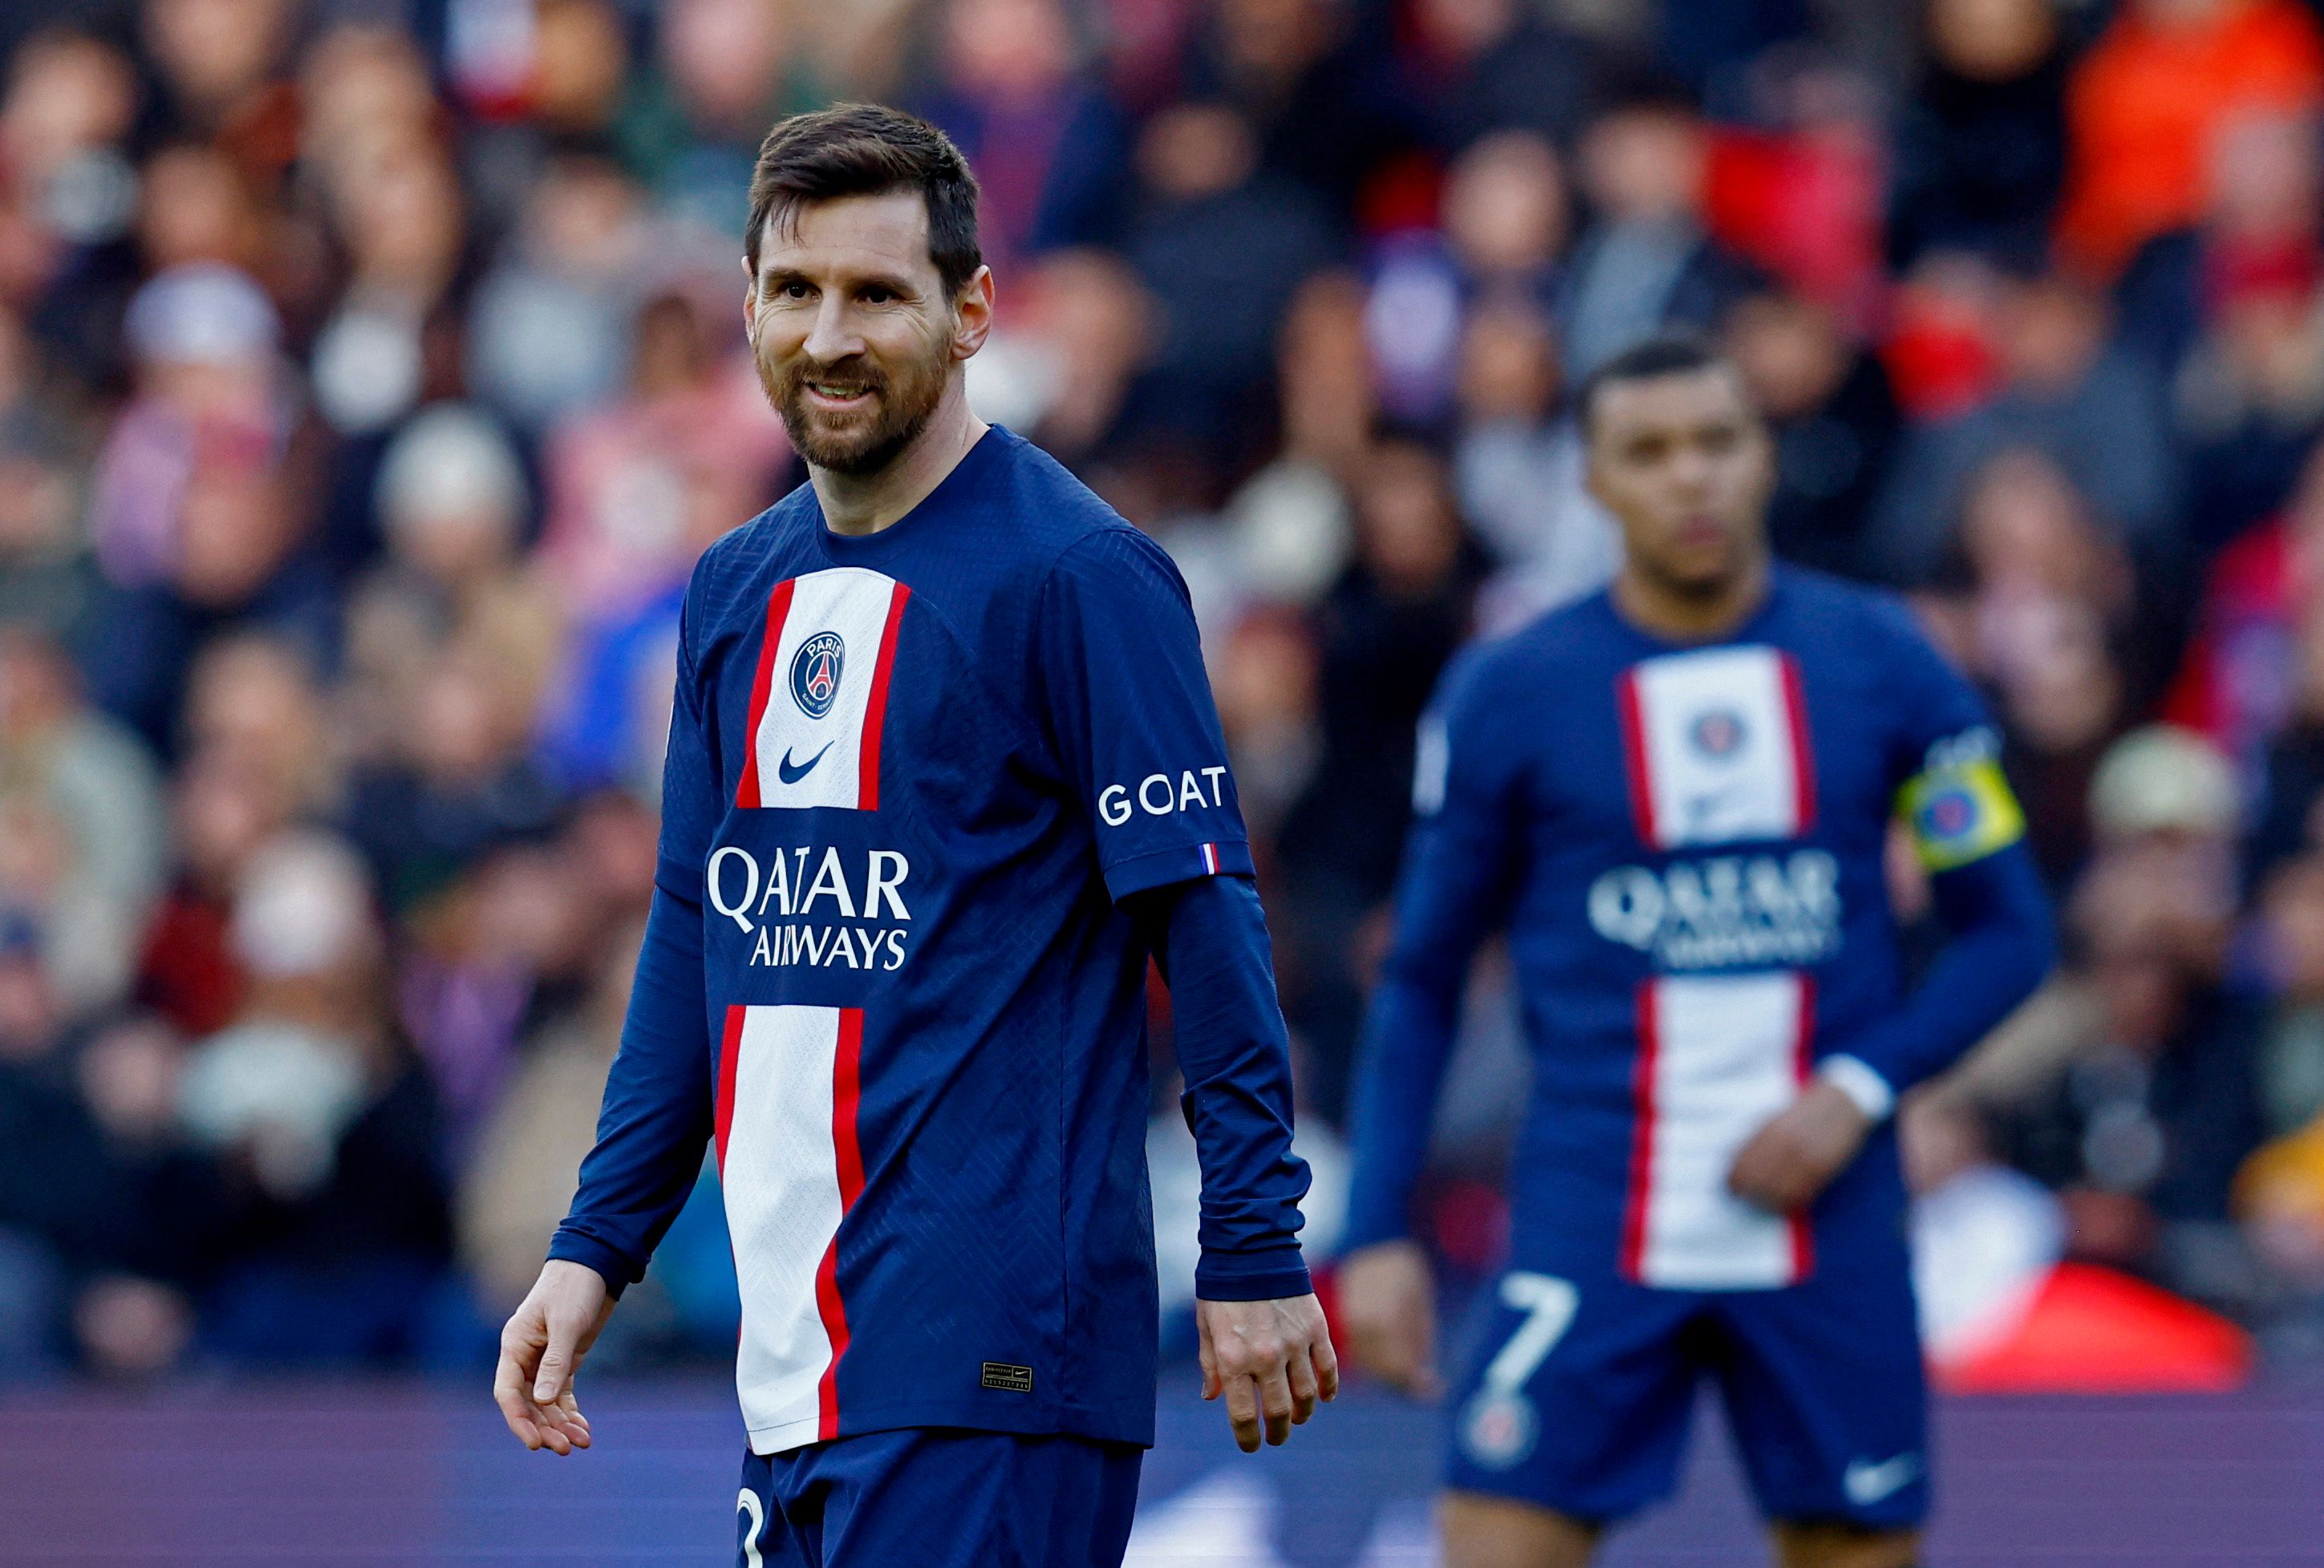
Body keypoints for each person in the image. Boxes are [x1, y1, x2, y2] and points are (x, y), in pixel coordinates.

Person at [488, 105, 1336, 1567]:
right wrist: (595, 1244)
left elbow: (1203, 920)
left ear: (970, 313)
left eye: (877, 293)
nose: (829, 335)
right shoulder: (732, 590)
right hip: (797, 1361)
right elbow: (699, 929)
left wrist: (1253, 1244)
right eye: (796, 290)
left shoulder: (1080, 575)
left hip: (997, 1358)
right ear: (747, 306)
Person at [1335, 337, 2056, 1568]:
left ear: (1763, 457)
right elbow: (1422, 974)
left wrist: (1857, 1088)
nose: (1689, 479)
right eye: (1649, 453)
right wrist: (1376, 1227)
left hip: (1826, 1225)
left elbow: (2011, 933)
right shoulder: (1509, 690)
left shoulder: (1888, 663)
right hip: (1593, 1212)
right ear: (1596, 484)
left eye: (1715, 444)